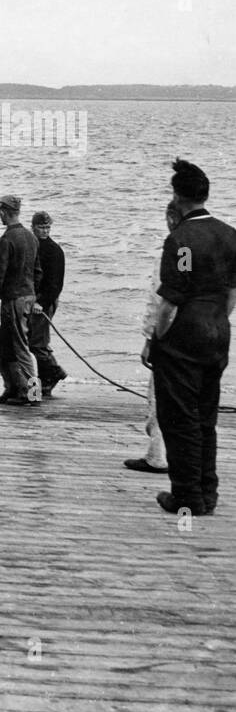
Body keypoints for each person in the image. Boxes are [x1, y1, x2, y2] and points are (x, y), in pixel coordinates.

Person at [148, 160, 236, 516]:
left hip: (185, 336)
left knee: (178, 418)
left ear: (178, 197)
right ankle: (206, 491)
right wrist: (216, 319)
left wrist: (156, 339)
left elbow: (171, 300)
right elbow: (232, 293)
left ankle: (185, 496)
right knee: (205, 416)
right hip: (218, 332)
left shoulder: (181, 240)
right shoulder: (230, 235)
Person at [125, 201, 182, 474]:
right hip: (205, 334)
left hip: (170, 335)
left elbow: (159, 299)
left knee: (159, 395)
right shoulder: (213, 242)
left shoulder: (172, 249)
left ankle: (157, 454)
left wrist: (150, 339)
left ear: (172, 217)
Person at [0, 194, 42, 405]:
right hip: (28, 298)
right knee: (3, 348)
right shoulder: (31, 237)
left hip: (14, 301)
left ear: (3, 212)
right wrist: (35, 298)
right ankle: (12, 388)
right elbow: (38, 271)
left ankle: (32, 394)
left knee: (20, 349)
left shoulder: (6, 240)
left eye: (0, 213)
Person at [29, 211, 68, 397]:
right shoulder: (32, 246)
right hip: (33, 301)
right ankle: (45, 383)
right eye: (41, 227)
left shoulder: (54, 250)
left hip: (45, 301)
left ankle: (54, 371)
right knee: (37, 342)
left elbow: (55, 284)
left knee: (36, 343)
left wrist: (41, 303)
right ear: (33, 227)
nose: (45, 231)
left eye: (47, 228)